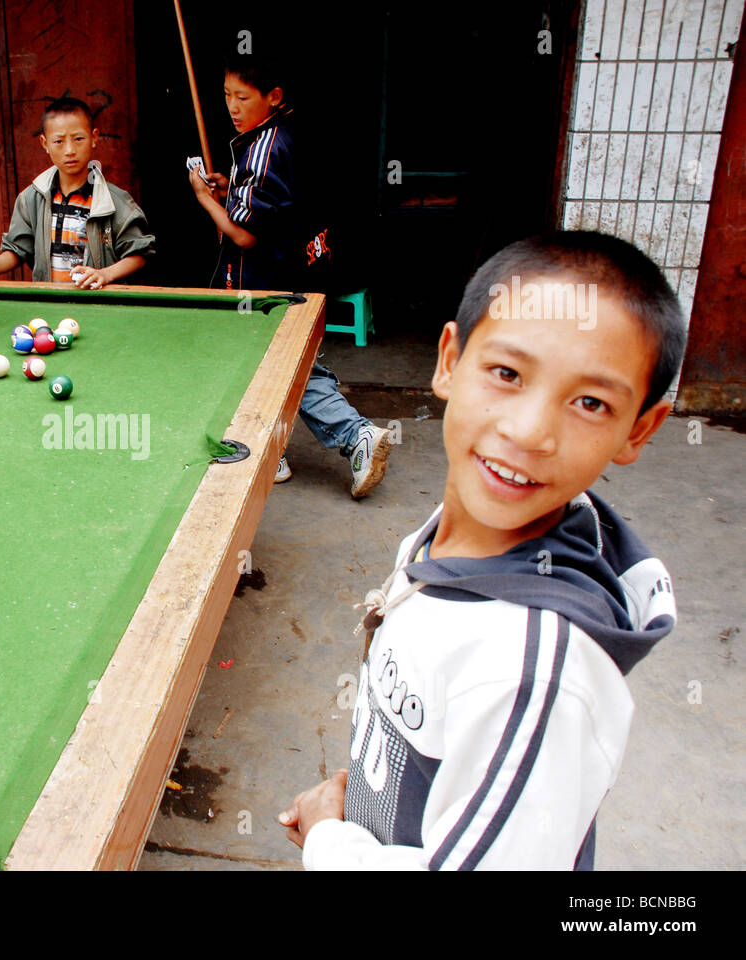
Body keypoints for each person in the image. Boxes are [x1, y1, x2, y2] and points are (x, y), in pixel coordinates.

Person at [278, 231, 685, 869]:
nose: (528, 431)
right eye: (506, 373)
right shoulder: (450, 530)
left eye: (589, 402)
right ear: (449, 361)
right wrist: (358, 812)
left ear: (639, 429)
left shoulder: (535, 675)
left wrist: (333, 841)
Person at [189, 56, 390, 498]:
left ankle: (355, 436)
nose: (232, 107)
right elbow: (270, 204)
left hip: (270, 281)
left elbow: (243, 235)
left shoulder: (264, 149)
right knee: (278, 362)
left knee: (293, 367)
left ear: (273, 97)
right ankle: (269, 447)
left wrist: (206, 199)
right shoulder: (281, 133)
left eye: (243, 97)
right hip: (297, 270)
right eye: (226, 96)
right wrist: (232, 189)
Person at [0, 97, 154, 289]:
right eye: (59, 141)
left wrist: (105, 274)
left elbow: (140, 253)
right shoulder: (32, 198)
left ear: (94, 137)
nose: (69, 150)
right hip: (49, 305)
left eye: (78, 139)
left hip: (99, 306)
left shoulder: (114, 200)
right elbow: (17, 250)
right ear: (45, 143)